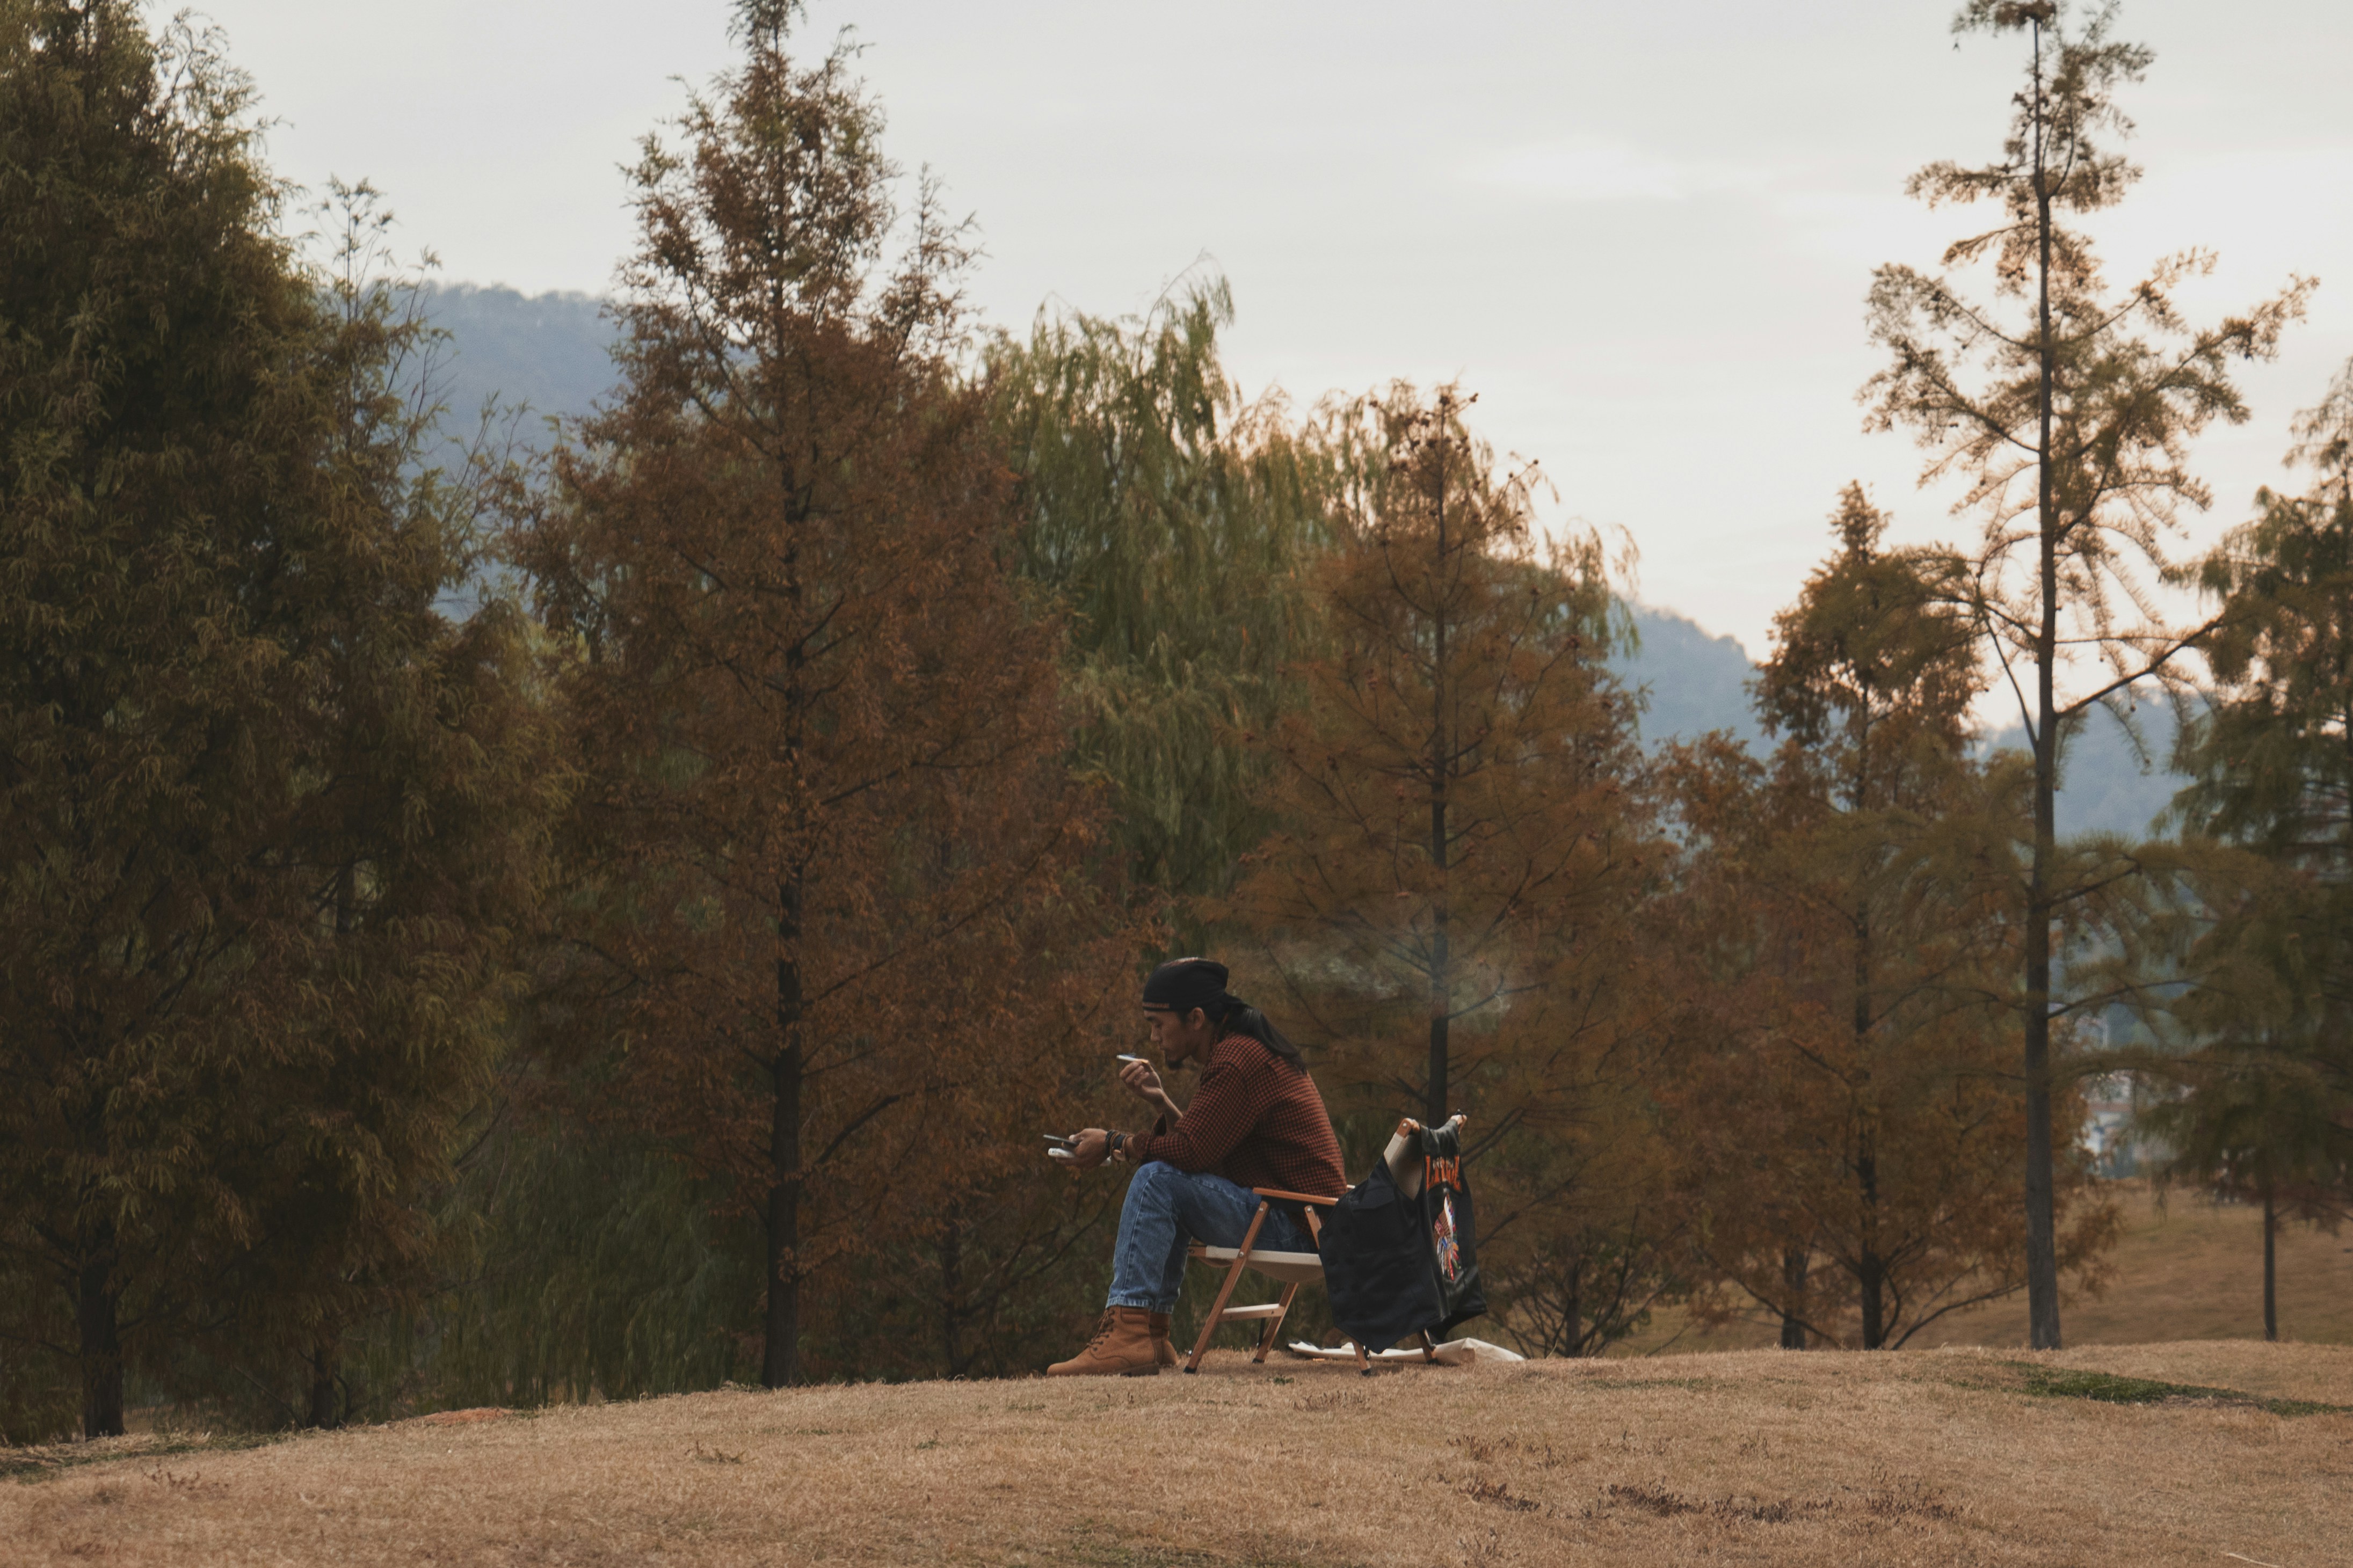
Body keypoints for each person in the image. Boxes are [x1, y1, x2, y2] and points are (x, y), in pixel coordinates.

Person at [1048, 957, 1346, 1376]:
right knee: (1168, 1176)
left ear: (1196, 1018)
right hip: (1309, 1221)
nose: (1154, 1037)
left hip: (1298, 1227)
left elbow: (1190, 1153)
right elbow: (1202, 1149)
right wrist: (1160, 1101)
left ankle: (1131, 1331)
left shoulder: (1237, 1061)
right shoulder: (1243, 1050)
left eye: (1158, 1023)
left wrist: (1116, 1142)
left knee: (1156, 1180)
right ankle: (1151, 1333)